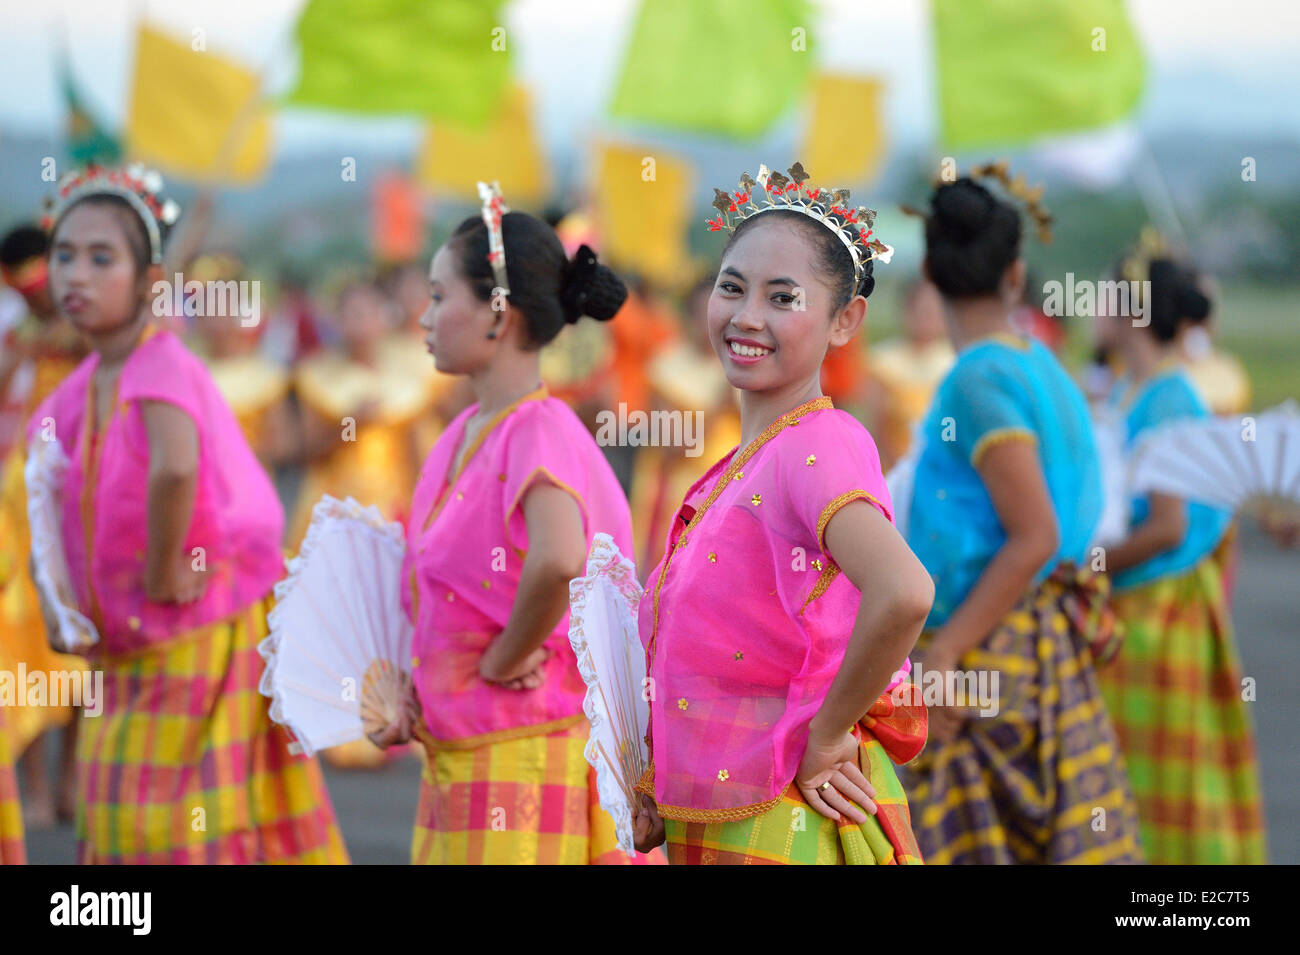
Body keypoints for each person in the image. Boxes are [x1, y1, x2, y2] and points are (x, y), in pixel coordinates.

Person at [29, 164, 348, 864]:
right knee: (119, 803)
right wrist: (57, 599)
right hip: (129, 637)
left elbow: (177, 463)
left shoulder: (160, 362)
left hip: (194, 622)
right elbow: (45, 497)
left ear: (149, 284)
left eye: (101, 258)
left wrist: (167, 566)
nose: (76, 274)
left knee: (169, 815)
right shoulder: (79, 387)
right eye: (64, 255)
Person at [632, 164, 933, 865]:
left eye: (782, 297)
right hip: (727, 813)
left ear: (845, 320)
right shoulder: (752, 458)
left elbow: (906, 590)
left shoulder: (816, 445)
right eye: (731, 287)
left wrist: (826, 736)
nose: (746, 316)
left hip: (782, 818)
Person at [368, 185, 663, 865]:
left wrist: (503, 656)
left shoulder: (536, 429)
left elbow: (560, 557)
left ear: (498, 315)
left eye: (441, 297)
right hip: (470, 744)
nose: (425, 315)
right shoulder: (473, 429)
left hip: (518, 748)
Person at [895, 169, 1142, 865]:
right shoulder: (1041, 364)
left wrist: (942, 654)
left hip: (982, 640)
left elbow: (1033, 535)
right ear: (1015, 273)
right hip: (1030, 633)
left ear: (931, 274)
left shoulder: (977, 377)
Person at [1095, 245, 1265, 864]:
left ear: (1132, 311)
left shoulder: (1168, 400)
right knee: (1135, 765)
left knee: (1166, 770)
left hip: (1159, 615)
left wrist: (1082, 569)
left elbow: (1166, 527)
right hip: (1138, 606)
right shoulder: (1130, 387)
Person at [0, 223, 87, 828]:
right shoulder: (18, 338)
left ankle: (70, 782)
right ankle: (36, 785)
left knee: (79, 639)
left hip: (77, 494)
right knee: (20, 636)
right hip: (19, 499)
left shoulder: (89, 333)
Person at [863, 277, 954, 470]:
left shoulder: (953, 361)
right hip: (896, 467)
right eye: (921, 311)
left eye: (934, 311)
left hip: (941, 467)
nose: (927, 319)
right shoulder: (883, 362)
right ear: (906, 311)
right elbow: (877, 428)